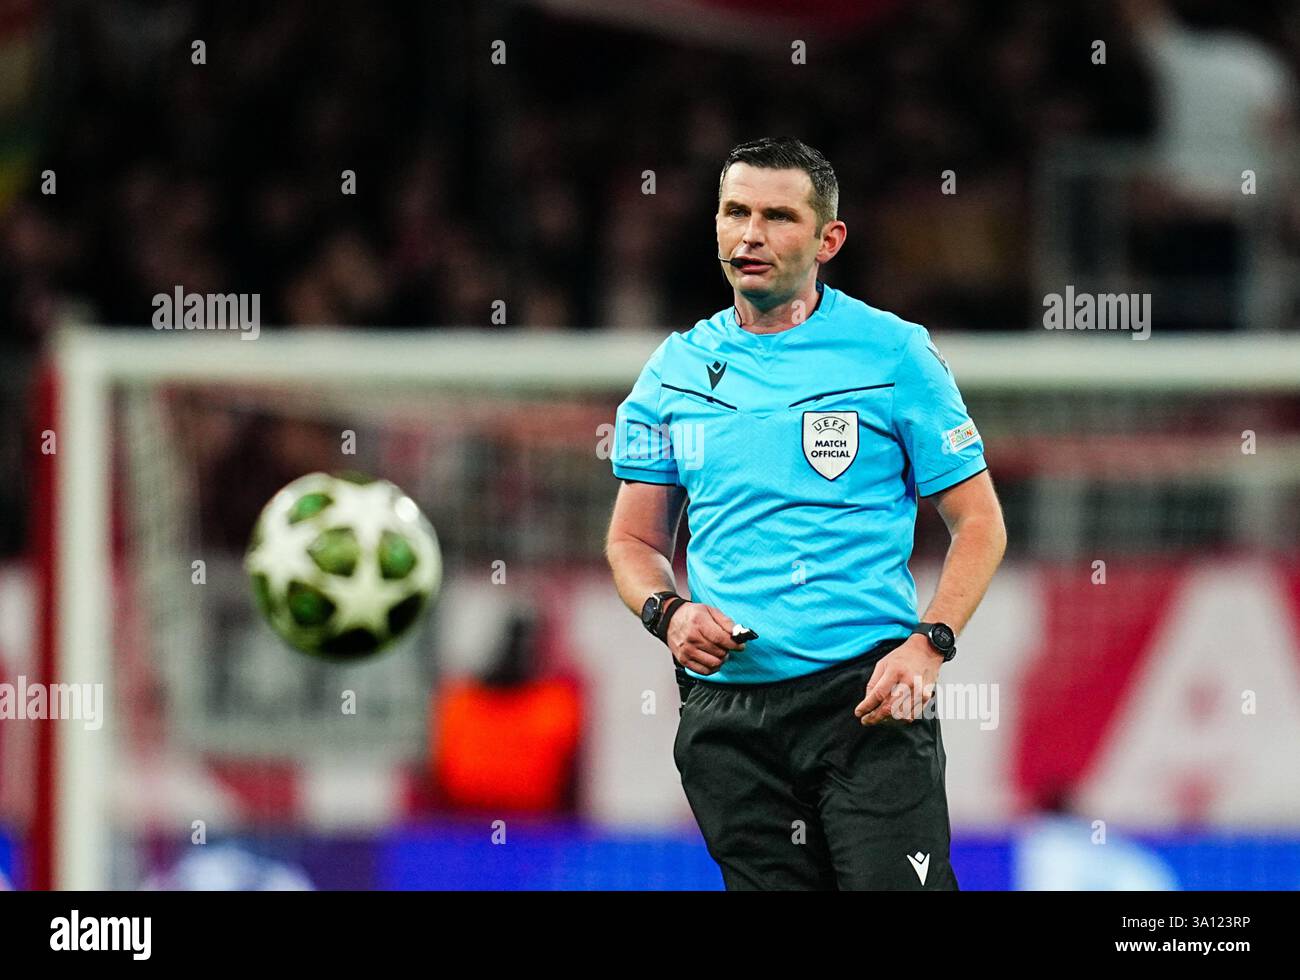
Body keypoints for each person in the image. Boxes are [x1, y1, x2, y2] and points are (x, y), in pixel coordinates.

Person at [604, 137, 1007, 890]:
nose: (750, 235)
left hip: (867, 704)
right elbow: (633, 540)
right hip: (728, 719)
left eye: (778, 216)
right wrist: (668, 612)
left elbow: (980, 523)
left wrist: (930, 644)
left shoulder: (894, 355)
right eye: (735, 212)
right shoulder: (672, 372)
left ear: (829, 239)